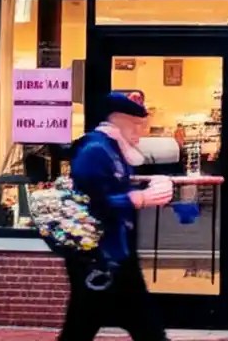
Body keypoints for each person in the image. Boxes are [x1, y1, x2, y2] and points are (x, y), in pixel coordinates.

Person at [59, 92, 174, 341]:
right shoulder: (95, 150)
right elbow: (91, 202)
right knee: (141, 328)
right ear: (118, 120)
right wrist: (140, 198)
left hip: (115, 255)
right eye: (136, 124)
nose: (140, 132)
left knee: (144, 327)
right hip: (100, 257)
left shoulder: (113, 150)